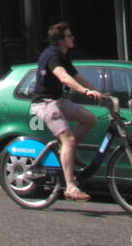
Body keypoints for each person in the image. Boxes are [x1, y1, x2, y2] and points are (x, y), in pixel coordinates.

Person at [30, 21, 102, 202]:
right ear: (61, 40)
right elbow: (64, 77)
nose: (73, 38)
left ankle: (66, 150)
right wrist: (84, 92)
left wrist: (98, 93)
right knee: (68, 139)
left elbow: (78, 77)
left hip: (57, 100)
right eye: (69, 36)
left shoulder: (63, 55)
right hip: (44, 103)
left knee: (89, 119)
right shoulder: (52, 56)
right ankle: (70, 187)